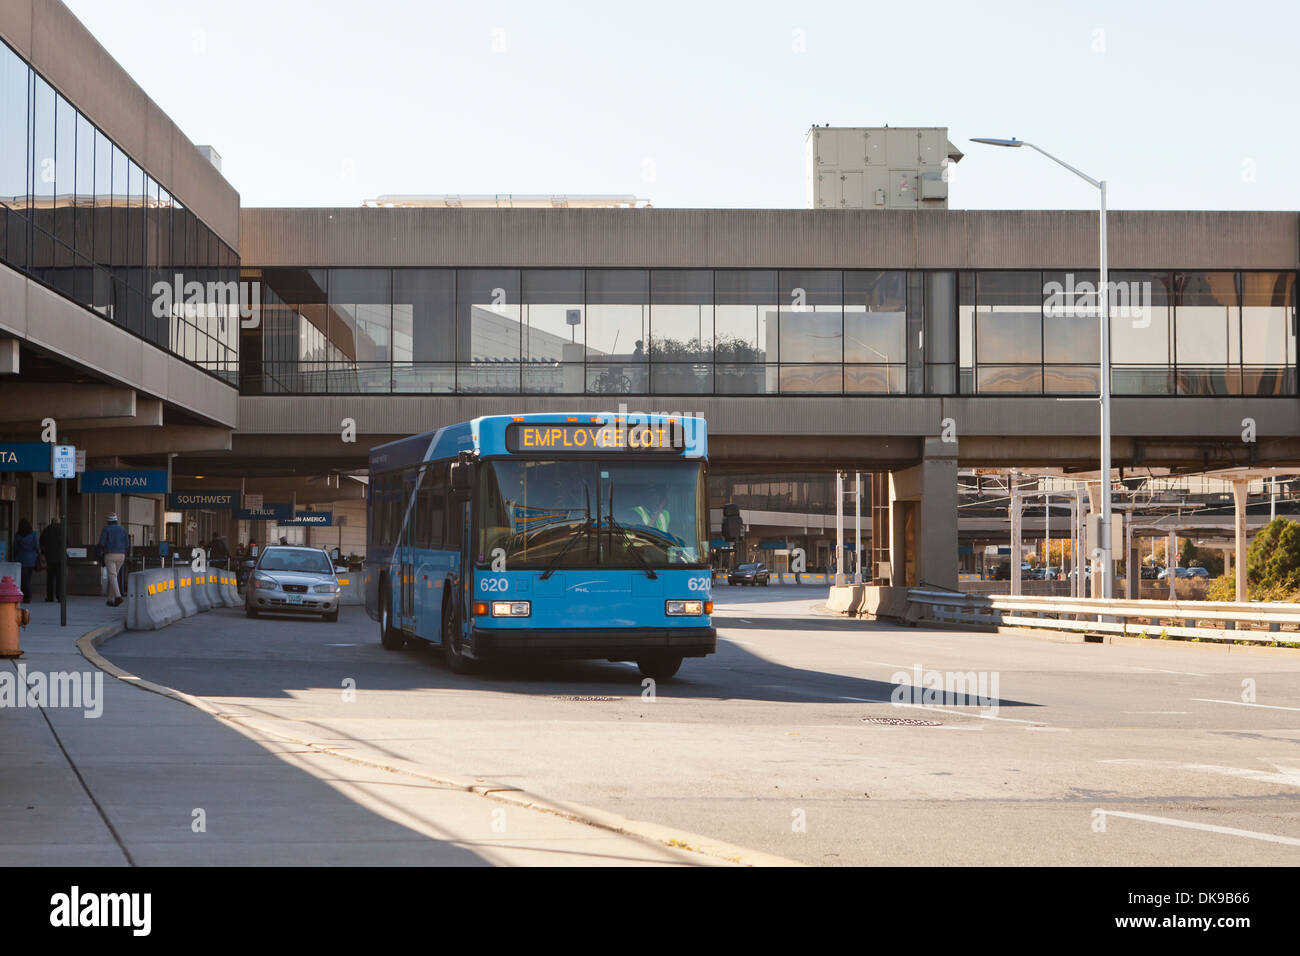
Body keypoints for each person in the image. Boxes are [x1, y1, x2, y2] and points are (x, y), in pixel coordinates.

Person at [97, 512, 130, 607]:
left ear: (108, 521)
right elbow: (127, 544)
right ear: (116, 520)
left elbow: (102, 543)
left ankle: (118, 597)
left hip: (110, 554)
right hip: (121, 555)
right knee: (114, 577)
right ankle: (110, 599)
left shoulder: (106, 529)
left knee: (112, 576)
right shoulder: (123, 529)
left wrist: (99, 552)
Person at [12, 518, 39, 604]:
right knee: (28, 578)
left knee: (24, 579)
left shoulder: (17, 536)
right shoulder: (34, 534)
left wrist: (15, 556)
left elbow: (15, 548)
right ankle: (27, 595)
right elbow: (36, 546)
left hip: (21, 558)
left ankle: (26, 595)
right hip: (32, 559)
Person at [40, 518, 64, 602]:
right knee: (59, 578)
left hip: (49, 557)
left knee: (50, 578)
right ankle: (59, 596)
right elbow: (67, 542)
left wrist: (44, 553)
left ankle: (50, 596)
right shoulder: (62, 529)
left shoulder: (46, 529)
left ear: (51, 522)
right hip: (60, 557)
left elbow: (41, 541)